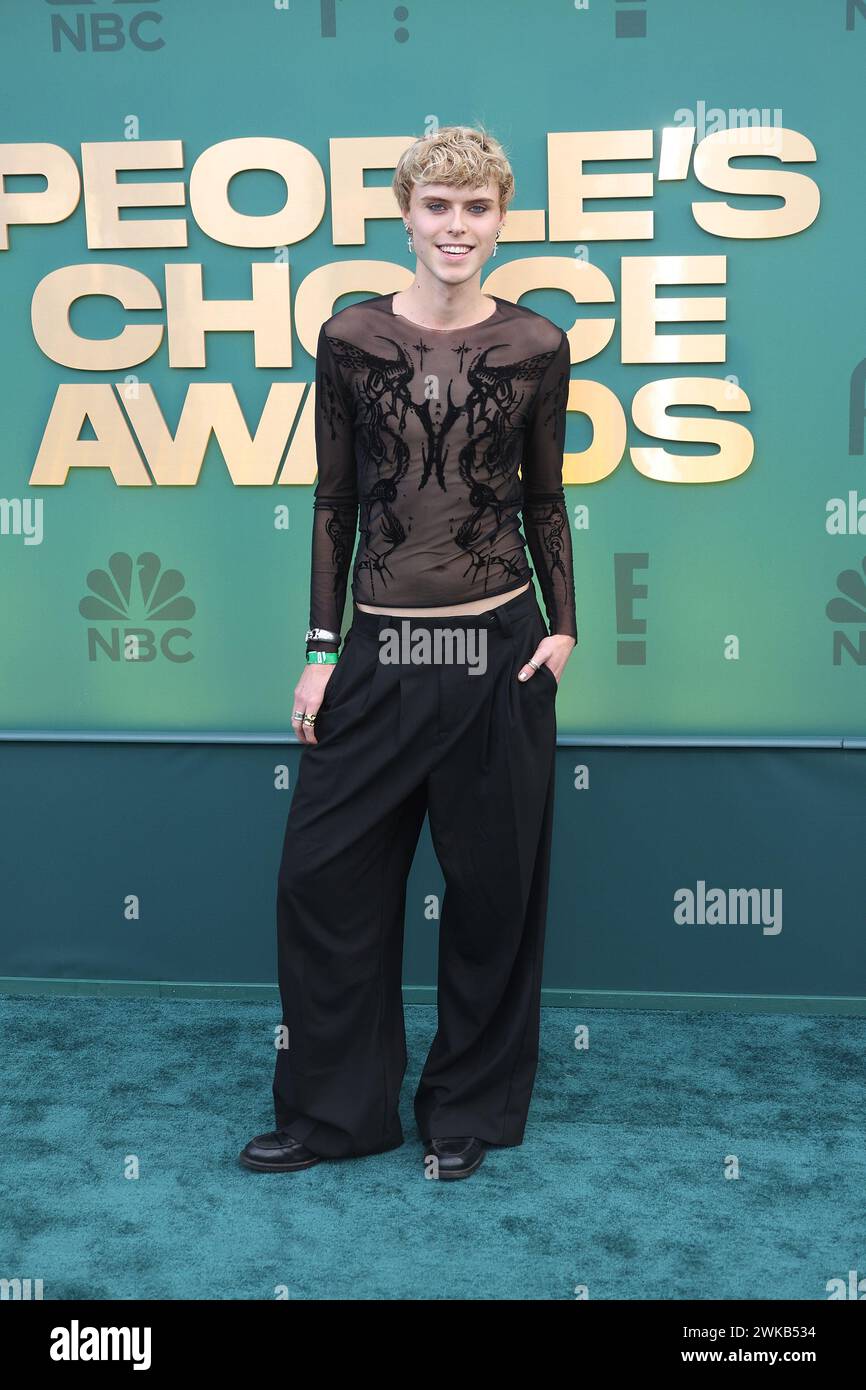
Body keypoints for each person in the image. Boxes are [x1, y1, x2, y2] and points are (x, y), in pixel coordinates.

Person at [240, 124, 577, 1182]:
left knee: (492, 896)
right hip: (378, 653)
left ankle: (463, 1108)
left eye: (474, 209)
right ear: (405, 214)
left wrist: (564, 628)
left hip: (499, 652)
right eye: (437, 206)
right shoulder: (348, 336)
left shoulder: (534, 344)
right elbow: (333, 498)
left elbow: (544, 499)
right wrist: (318, 646)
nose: (455, 227)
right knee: (322, 879)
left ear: (499, 220)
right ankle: (338, 1114)